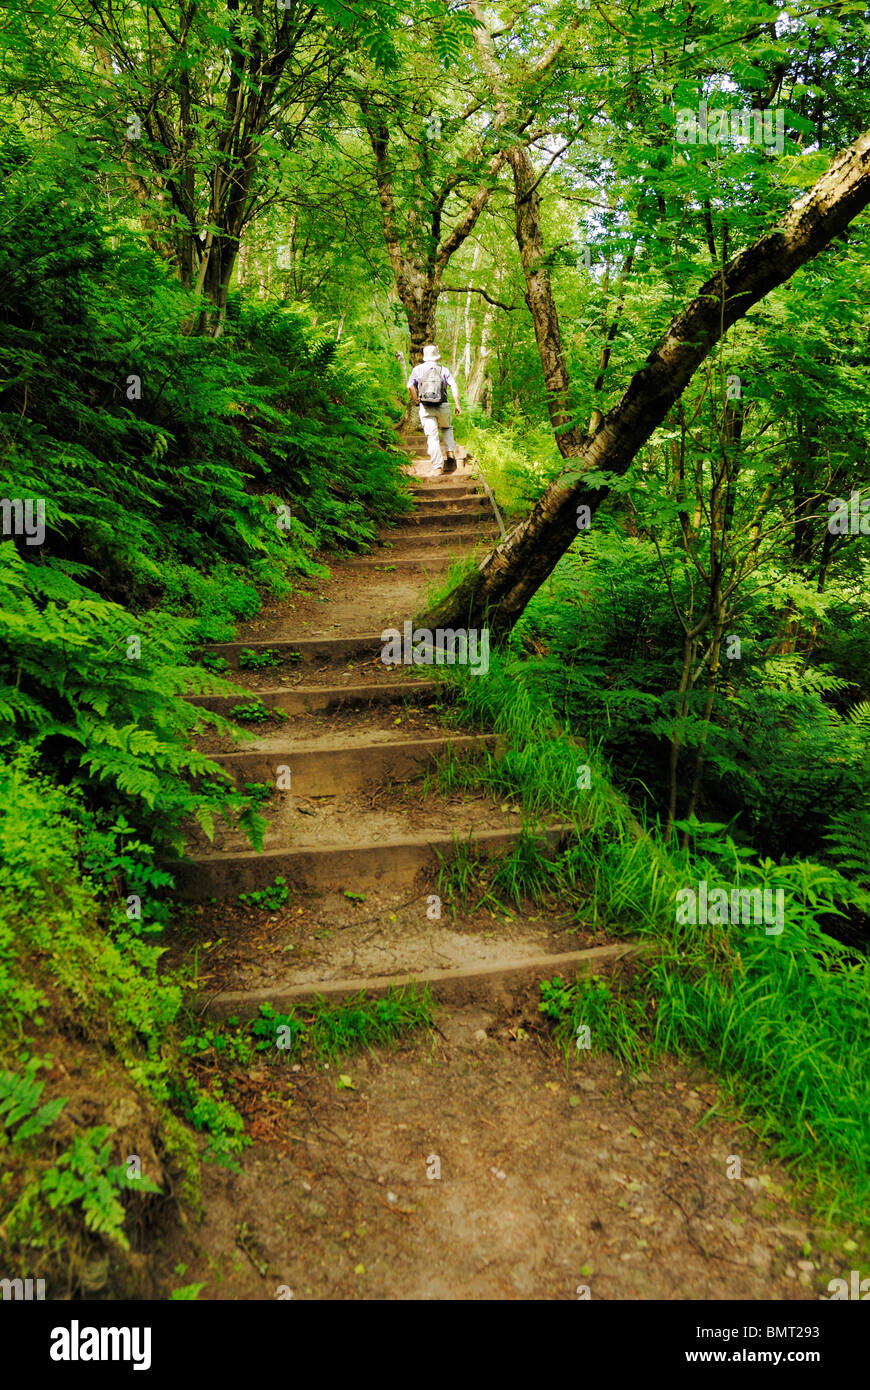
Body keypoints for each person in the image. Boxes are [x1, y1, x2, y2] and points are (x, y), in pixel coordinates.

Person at [406, 344, 462, 478]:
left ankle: (437, 467)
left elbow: (409, 386)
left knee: (432, 437)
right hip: (443, 406)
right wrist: (457, 405)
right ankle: (450, 451)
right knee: (447, 428)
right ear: (436, 356)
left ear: (425, 357)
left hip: (426, 407)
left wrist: (416, 399)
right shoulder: (444, 370)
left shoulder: (417, 369)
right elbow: (454, 386)